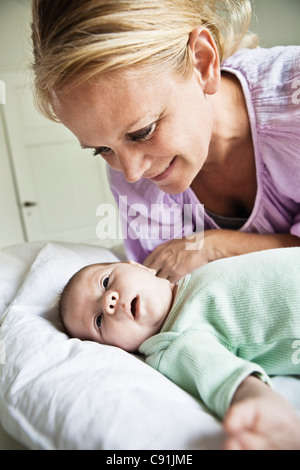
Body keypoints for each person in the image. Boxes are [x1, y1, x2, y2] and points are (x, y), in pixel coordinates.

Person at [31, 0, 300, 283]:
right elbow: (160, 293)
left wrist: (215, 248)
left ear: (202, 62)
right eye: (102, 149)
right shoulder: (130, 175)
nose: (132, 174)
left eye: (142, 132)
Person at [58, 247, 300, 450]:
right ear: (118, 349)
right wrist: (259, 400)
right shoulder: (174, 340)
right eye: (98, 321)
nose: (108, 301)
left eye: (105, 281)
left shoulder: (191, 280)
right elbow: (220, 374)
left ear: (139, 267)